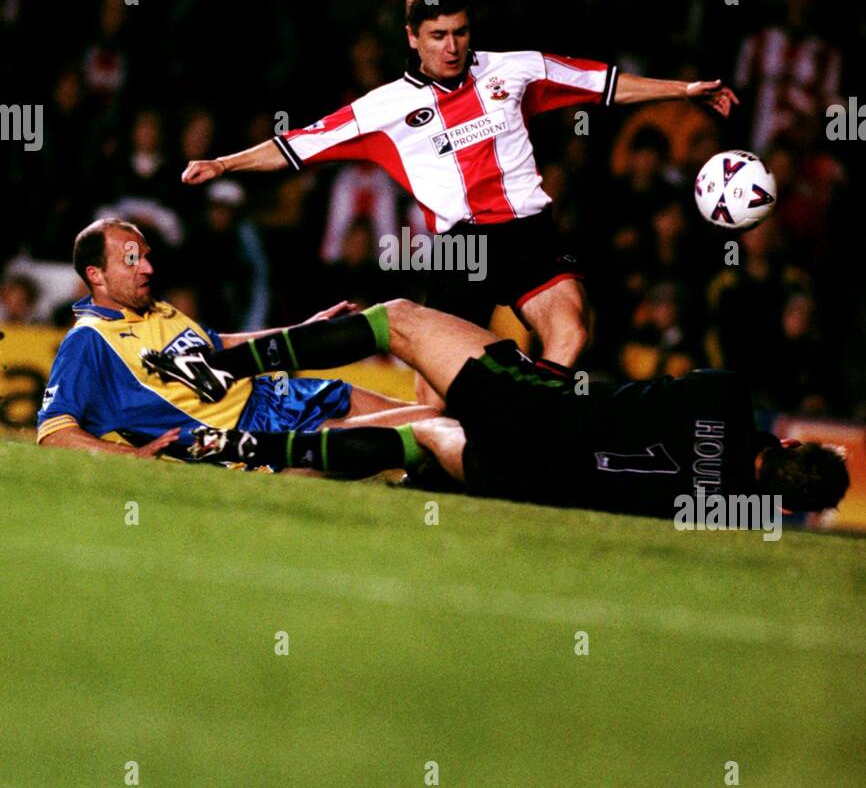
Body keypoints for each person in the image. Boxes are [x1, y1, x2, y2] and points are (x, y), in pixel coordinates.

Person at [179, 0, 738, 384]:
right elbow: (298, 145)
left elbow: (602, 84)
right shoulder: (385, 108)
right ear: (412, 37)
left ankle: (528, 420)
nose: (452, 46)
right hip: (462, 246)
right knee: (439, 376)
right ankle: (423, 459)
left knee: (571, 331)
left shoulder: (515, 68)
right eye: (439, 34)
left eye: (461, 32)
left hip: (530, 231)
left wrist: (684, 90)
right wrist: (224, 164)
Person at [143, 299, 849, 518]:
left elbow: (698, 386)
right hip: (525, 482)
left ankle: (222, 361)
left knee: (401, 322)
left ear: (789, 446)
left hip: (535, 410)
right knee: (417, 438)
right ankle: (240, 456)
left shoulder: (726, 396)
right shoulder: (726, 514)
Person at [36, 220, 436, 462]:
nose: (148, 268)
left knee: (419, 414)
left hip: (276, 392)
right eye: (130, 260)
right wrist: (132, 455)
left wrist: (300, 331)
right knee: (427, 428)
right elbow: (54, 432)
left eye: (145, 256)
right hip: (252, 434)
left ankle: (443, 471)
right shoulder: (88, 340)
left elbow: (220, 346)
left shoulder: (156, 308)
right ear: (97, 276)